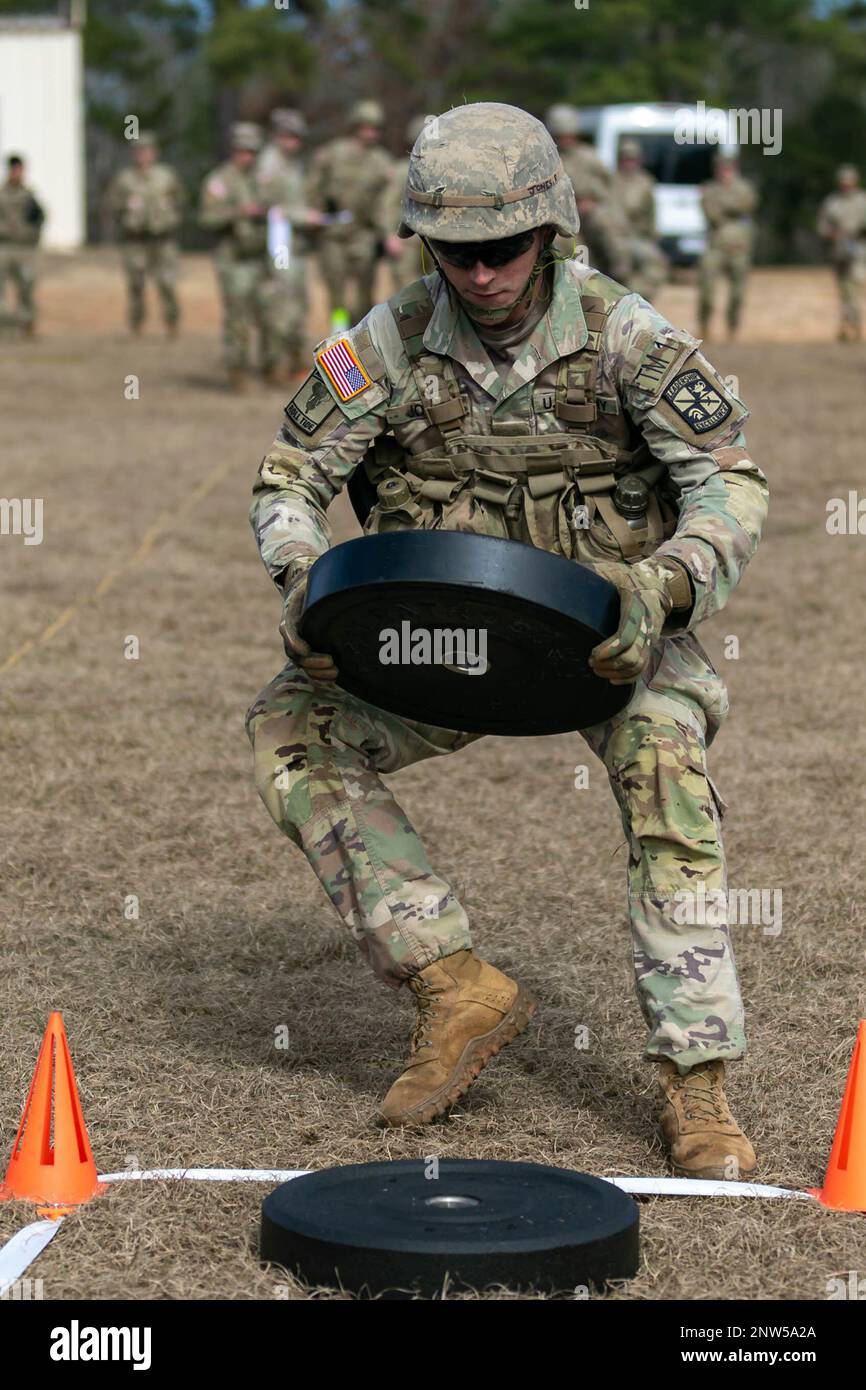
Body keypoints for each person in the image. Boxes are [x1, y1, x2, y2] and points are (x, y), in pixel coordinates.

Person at [245, 103, 769, 1180]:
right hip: (440, 640)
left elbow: (728, 482)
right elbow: (289, 475)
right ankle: (453, 984)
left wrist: (665, 583)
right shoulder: (385, 342)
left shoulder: (626, 334)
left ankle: (694, 1074)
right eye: (453, 252)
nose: (479, 274)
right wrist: (301, 582)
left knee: (664, 766)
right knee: (291, 727)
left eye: (501, 249)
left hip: (608, 638)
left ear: (552, 229)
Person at [199, 121, 278, 392]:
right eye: (244, 150)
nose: (249, 156)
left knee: (269, 315)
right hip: (233, 261)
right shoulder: (219, 181)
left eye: (253, 151)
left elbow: (278, 208)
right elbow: (206, 219)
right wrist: (238, 212)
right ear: (233, 150)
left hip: (260, 259)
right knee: (238, 319)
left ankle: (271, 368)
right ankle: (238, 373)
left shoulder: (263, 179)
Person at [307, 99, 394, 330]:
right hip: (333, 235)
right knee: (337, 294)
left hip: (363, 235)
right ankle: (339, 334)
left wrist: (386, 233)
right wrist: (315, 212)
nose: (370, 133)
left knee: (365, 293)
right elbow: (314, 186)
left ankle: (361, 337)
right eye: (366, 127)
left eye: (375, 128)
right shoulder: (333, 153)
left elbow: (387, 202)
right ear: (355, 126)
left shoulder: (382, 161)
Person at [255, 109, 325, 378]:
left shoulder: (292, 164)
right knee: (280, 303)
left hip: (296, 244)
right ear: (277, 136)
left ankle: (293, 361)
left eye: (297, 137)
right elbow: (270, 206)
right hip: (280, 244)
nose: (293, 142)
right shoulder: (270, 164)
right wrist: (306, 216)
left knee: (298, 302)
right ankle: (274, 363)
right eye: (288, 136)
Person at [106, 132, 185, 336]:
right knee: (136, 284)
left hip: (163, 238)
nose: (144, 155)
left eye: (148, 150)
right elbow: (113, 205)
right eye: (139, 151)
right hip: (136, 240)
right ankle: (136, 324)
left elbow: (180, 199)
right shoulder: (125, 179)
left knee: (167, 283)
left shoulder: (166, 176)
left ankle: (172, 322)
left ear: (155, 152)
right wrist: (127, 214)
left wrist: (170, 217)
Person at [545, 104, 628, 281]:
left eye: (568, 135)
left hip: (589, 214)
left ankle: (620, 275)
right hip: (559, 216)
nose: (565, 140)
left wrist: (593, 203)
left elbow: (610, 188)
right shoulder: (547, 158)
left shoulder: (588, 157)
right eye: (561, 136)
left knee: (608, 231)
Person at [698, 152, 757, 341]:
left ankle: (732, 328)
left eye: (728, 167)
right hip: (715, 245)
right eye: (721, 167)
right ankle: (704, 326)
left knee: (738, 293)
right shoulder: (710, 189)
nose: (725, 172)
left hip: (739, 246)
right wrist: (730, 209)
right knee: (707, 290)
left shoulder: (744, 188)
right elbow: (710, 212)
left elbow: (747, 205)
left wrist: (725, 207)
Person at [381, 114, 436, 294]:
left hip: (438, 240)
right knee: (409, 292)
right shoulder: (401, 170)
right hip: (408, 242)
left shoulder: (444, 169)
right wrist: (390, 235)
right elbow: (388, 205)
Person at [610, 138, 667, 301]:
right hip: (614, 236)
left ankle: (640, 301)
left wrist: (652, 237)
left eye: (633, 158)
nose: (629, 162)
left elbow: (651, 213)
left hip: (638, 236)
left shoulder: (646, 182)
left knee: (655, 266)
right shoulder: (611, 180)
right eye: (626, 157)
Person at [817, 164, 866, 342]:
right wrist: (832, 234)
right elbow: (822, 226)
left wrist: (858, 233)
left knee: (853, 288)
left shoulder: (863, 201)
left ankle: (853, 325)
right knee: (844, 291)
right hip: (839, 252)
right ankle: (848, 325)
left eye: (849, 183)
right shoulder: (832, 202)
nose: (846, 186)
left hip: (859, 251)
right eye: (843, 183)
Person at [0, 154, 45, 336]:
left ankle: (26, 322)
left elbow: (40, 218)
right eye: (14, 169)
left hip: (25, 247)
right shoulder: (2, 195)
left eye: (19, 169)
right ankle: (3, 325)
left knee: (27, 284)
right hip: (4, 246)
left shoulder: (29, 196)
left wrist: (33, 235)